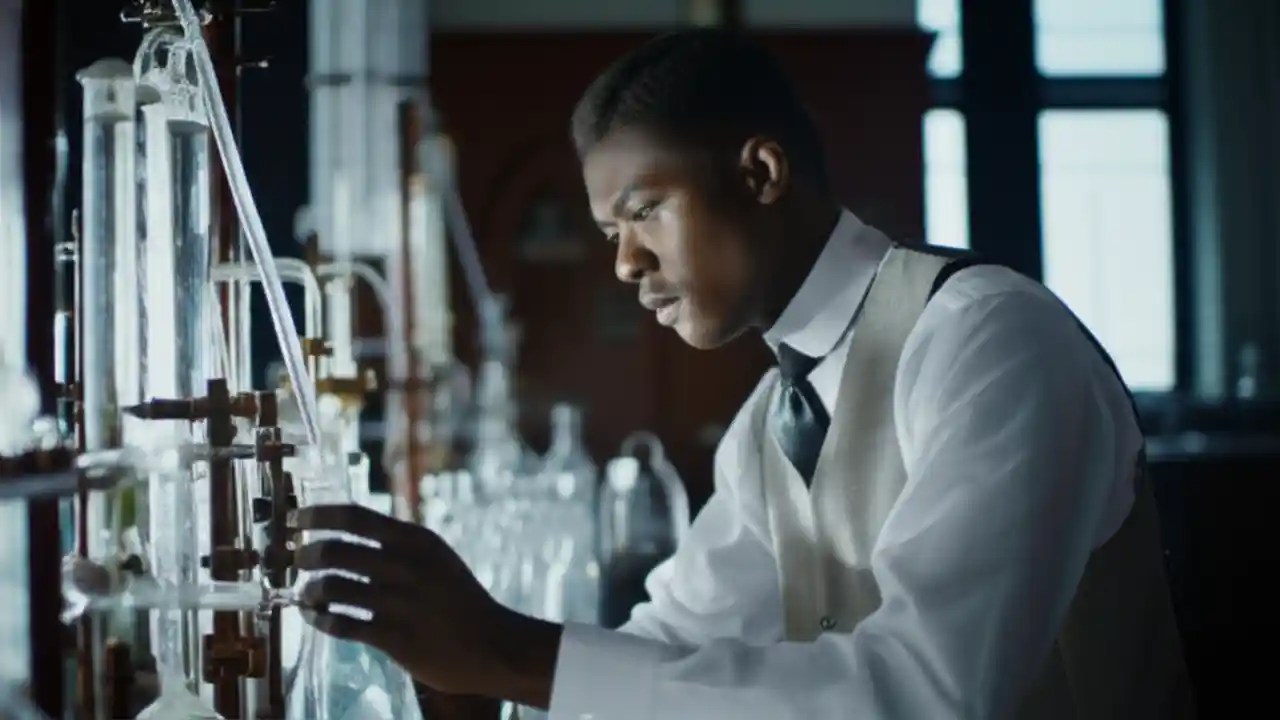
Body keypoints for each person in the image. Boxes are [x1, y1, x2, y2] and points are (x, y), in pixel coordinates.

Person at [294, 29, 1194, 719]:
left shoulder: (990, 341)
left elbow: (926, 690)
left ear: (760, 172)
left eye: (644, 212)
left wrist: (511, 652)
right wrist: (482, 675)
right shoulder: (774, 418)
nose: (624, 265)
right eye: (611, 233)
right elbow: (679, 641)